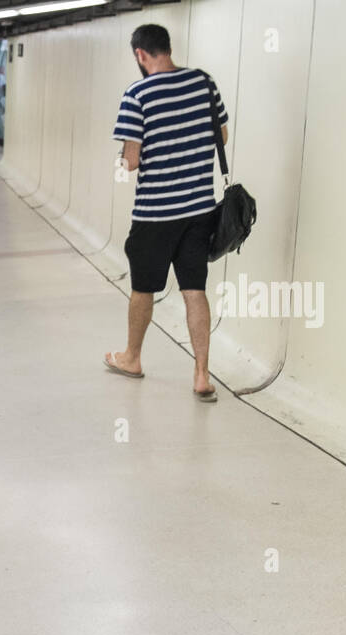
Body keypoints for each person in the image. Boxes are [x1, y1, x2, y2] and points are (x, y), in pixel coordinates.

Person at [106, 23, 228, 402]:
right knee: (195, 288)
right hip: (199, 208)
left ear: (140, 55)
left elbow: (131, 161)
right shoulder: (204, 83)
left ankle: (133, 358)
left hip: (155, 213)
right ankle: (202, 374)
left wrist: (125, 159)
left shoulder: (137, 94)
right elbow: (221, 136)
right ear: (167, 48)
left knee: (143, 287)